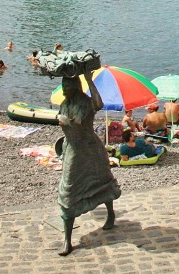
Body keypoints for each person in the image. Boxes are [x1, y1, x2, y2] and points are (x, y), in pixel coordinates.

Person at [56, 67, 120, 256]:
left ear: (76, 87)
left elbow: (98, 104)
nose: (64, 89)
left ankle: (110, 213)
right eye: (63, 86)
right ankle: (67, 240)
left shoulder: (85, 102)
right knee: (68, 190)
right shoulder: (64, 103)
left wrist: (89, 80)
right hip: (72, 149)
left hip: (90, 149)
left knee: (102, 180)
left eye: (67, 86)